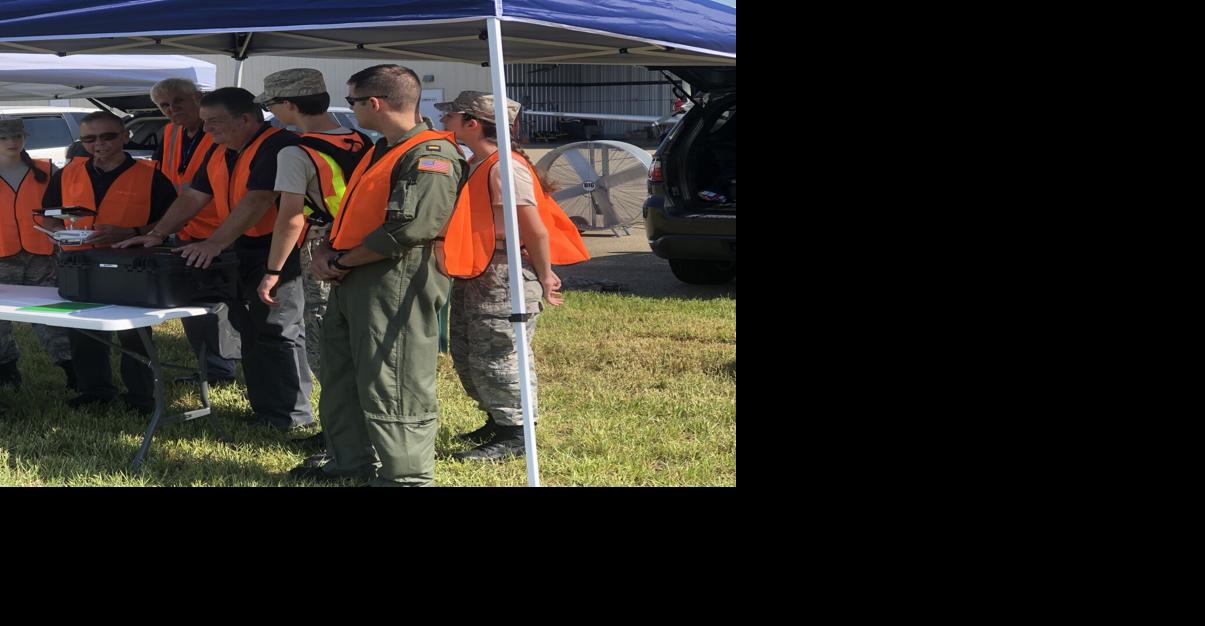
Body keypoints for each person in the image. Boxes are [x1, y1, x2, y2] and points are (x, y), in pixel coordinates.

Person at [288, 64, 465, 486]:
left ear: (375, 103)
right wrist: (329, 250)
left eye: (352, 101)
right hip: (355, 274)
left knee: (394, 376)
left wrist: (343, 261)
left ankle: (406, 475)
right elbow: (354, 211)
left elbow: (410, 229)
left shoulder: (430, 155)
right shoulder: (381, 149)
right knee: (343, 372)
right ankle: (349, 461)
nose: (350, 109)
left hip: (395, 278)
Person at [116, 87, 314, 432]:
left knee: (277, 330)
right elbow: (194, 196)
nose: (206, 129)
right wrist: (158, 234)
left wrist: (214, 243)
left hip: (276, 250)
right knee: (252, 330)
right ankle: (269, 409)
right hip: (242, 250)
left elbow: (258, 199)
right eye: (205, 122)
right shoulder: (221, 149)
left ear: (246, 119)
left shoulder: (278, 146)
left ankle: (290, 417)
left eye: (215, 122)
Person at [435, 91, 589, 461]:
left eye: (451, 115)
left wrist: (545, 275)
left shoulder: (505, 168)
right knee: (469, 352)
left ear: (472, 123)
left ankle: (516, 434)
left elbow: (534, 231)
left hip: (503, 275)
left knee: (498, 353)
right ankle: (497, 419)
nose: (443, 121)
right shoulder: (479, 162)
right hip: (478, 271)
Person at [41, 110, 178, 414]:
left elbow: (171, 221)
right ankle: (95, 392)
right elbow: (48, 214)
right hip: (80, 262)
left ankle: (141, 398)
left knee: (135, 333)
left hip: (133, 264)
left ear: (125, 137)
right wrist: (59, 234)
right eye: (89, 139)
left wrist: (131, 232)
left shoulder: (151, 175)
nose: (98, 144)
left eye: (107, 136)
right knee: (83, 329)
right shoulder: (67, 173)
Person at [254, 68, 371, 381]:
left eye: (269, 105)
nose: (270, 112)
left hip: (320, 246)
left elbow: (290, 218)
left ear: (289, 105)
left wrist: (273, 271)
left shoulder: (294, 153)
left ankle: (338, 405)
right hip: (361, 242)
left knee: (324, 330)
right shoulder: (359, 140)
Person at [149, 77, 241, 386]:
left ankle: (223, 368)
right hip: (186, 229)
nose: (172, 109)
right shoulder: (169, 132)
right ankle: (213, 368)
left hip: (222, 231)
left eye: (179, 101)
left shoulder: (221, 132)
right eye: (164, 105)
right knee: (194, 303)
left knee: (223, 306)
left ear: (198, 97)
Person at [0, 116, 74, 391]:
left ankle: (73, 370)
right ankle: (7, 371)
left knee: (51, 316)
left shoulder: (46, 169)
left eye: (17, 136)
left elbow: (67, 205)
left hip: (41, 255)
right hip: (2, 255)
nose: (12, 142)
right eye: (3, 137)